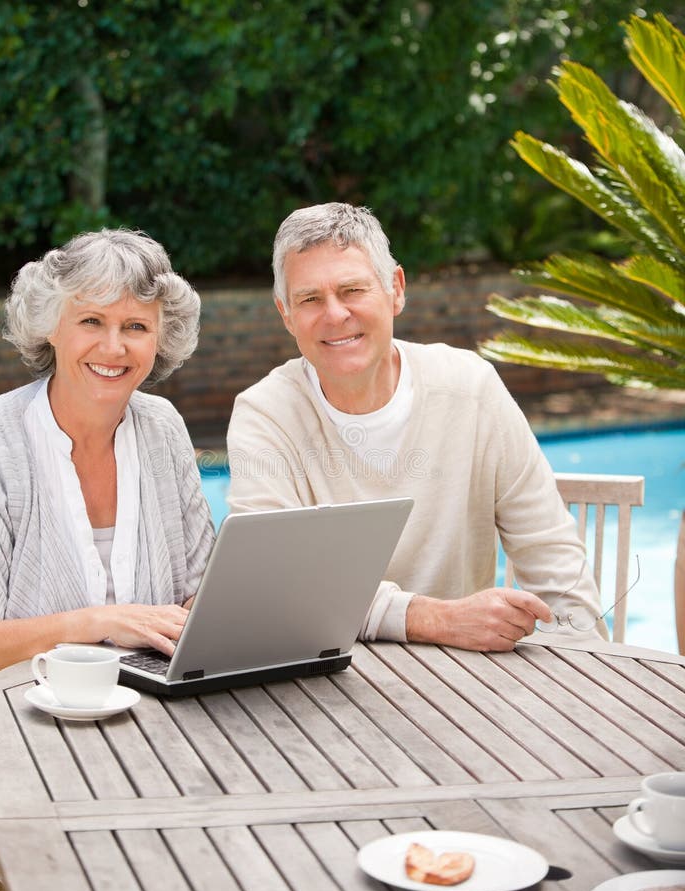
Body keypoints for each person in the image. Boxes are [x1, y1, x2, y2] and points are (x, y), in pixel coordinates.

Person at [0, 228, 215, 872]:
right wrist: (98, 623)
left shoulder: (162, 429)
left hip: (116, 736)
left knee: (229, 826)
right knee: (122, 865)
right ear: (50, 327)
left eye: (135, 325)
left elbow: (197, 588)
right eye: (91, 320)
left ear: (161, 338)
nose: (113, 346)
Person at [227, 202, 606, 651]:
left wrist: (591, 666)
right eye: (309, 299)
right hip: (325, 682)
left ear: (396, 290)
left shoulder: (472, 389)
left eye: (352, 290)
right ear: (286, 314)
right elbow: (276, 582)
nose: (334, 314)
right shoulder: (265, 414)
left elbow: (554, 563)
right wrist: (432, 618)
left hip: (468, 681)